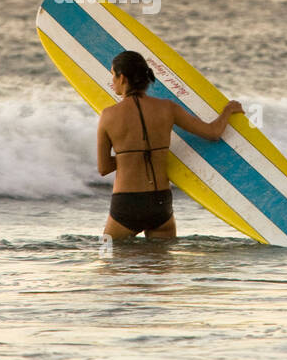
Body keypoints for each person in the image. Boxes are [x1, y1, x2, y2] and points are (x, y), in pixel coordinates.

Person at [97, 50, 242, 240]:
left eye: (112, 75)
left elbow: (104, 168)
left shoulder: (108, 116)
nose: (112, 81)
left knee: (111, 261)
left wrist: (128, 157)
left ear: (122, 77)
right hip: (160, 203)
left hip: (127, 203)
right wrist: (228, 111)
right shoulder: (168, 108)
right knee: (162, 266)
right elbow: (213, 133)